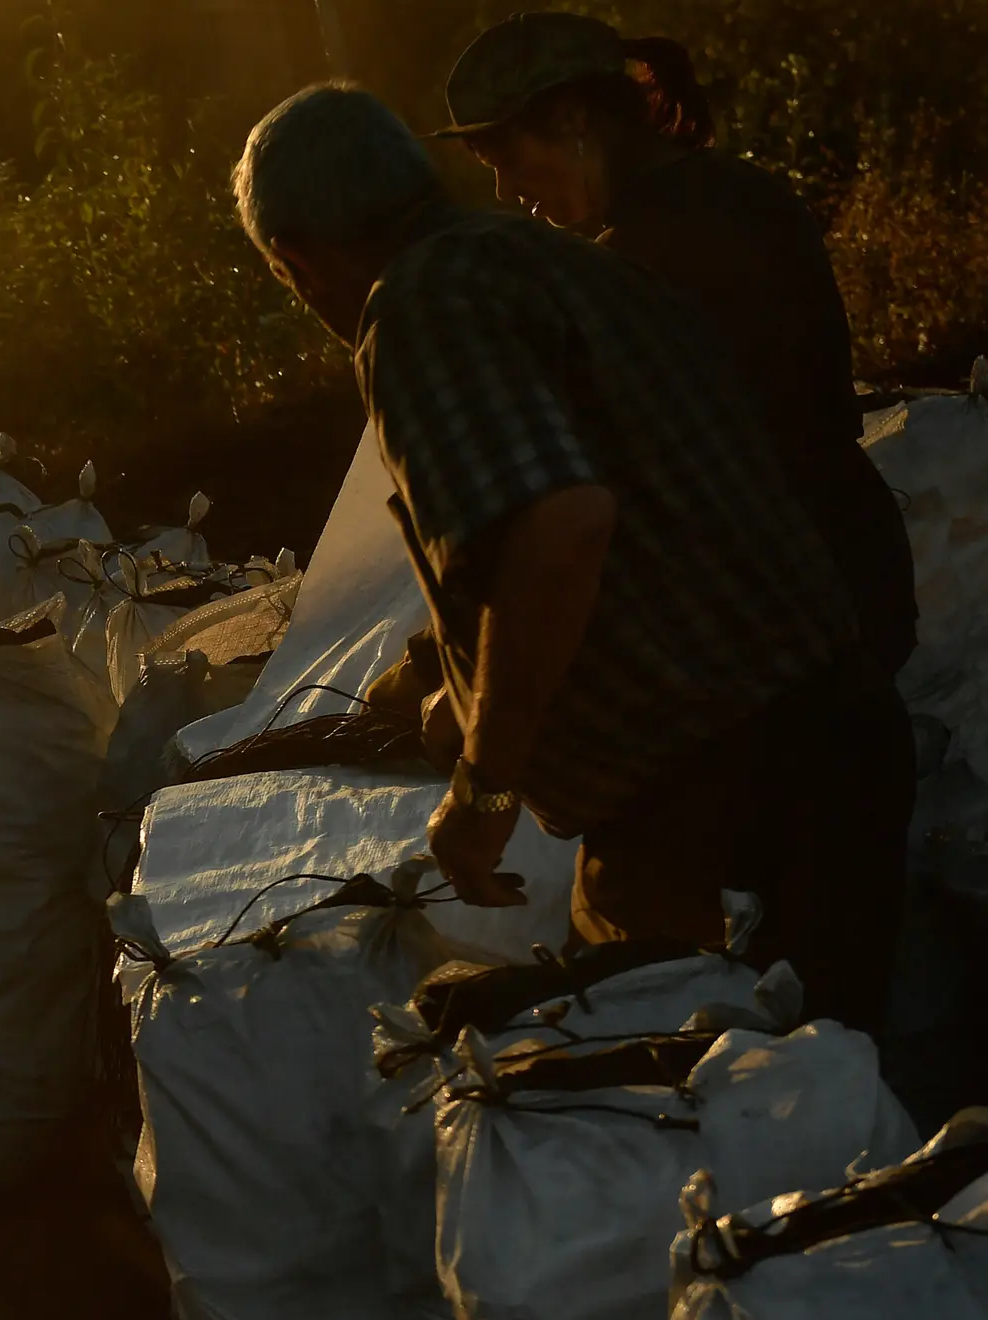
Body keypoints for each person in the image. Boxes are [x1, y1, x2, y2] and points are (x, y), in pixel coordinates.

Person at [231, 84, 911, 1031]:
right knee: (815, 1082)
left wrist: (485, 791)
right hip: (835, 729)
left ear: (296, 260)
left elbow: (560, 526)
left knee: (665, 1080)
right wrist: (459, 687)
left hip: (709, 790)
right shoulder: (555, 262)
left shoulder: (419, 309)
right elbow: (620, 511)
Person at [434, 11, 917, 672]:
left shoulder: (645, 258)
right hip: (858, 580)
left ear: (575, 120)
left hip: (787, 626)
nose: (505, 190)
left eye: (507, 160)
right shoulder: (736, 193)